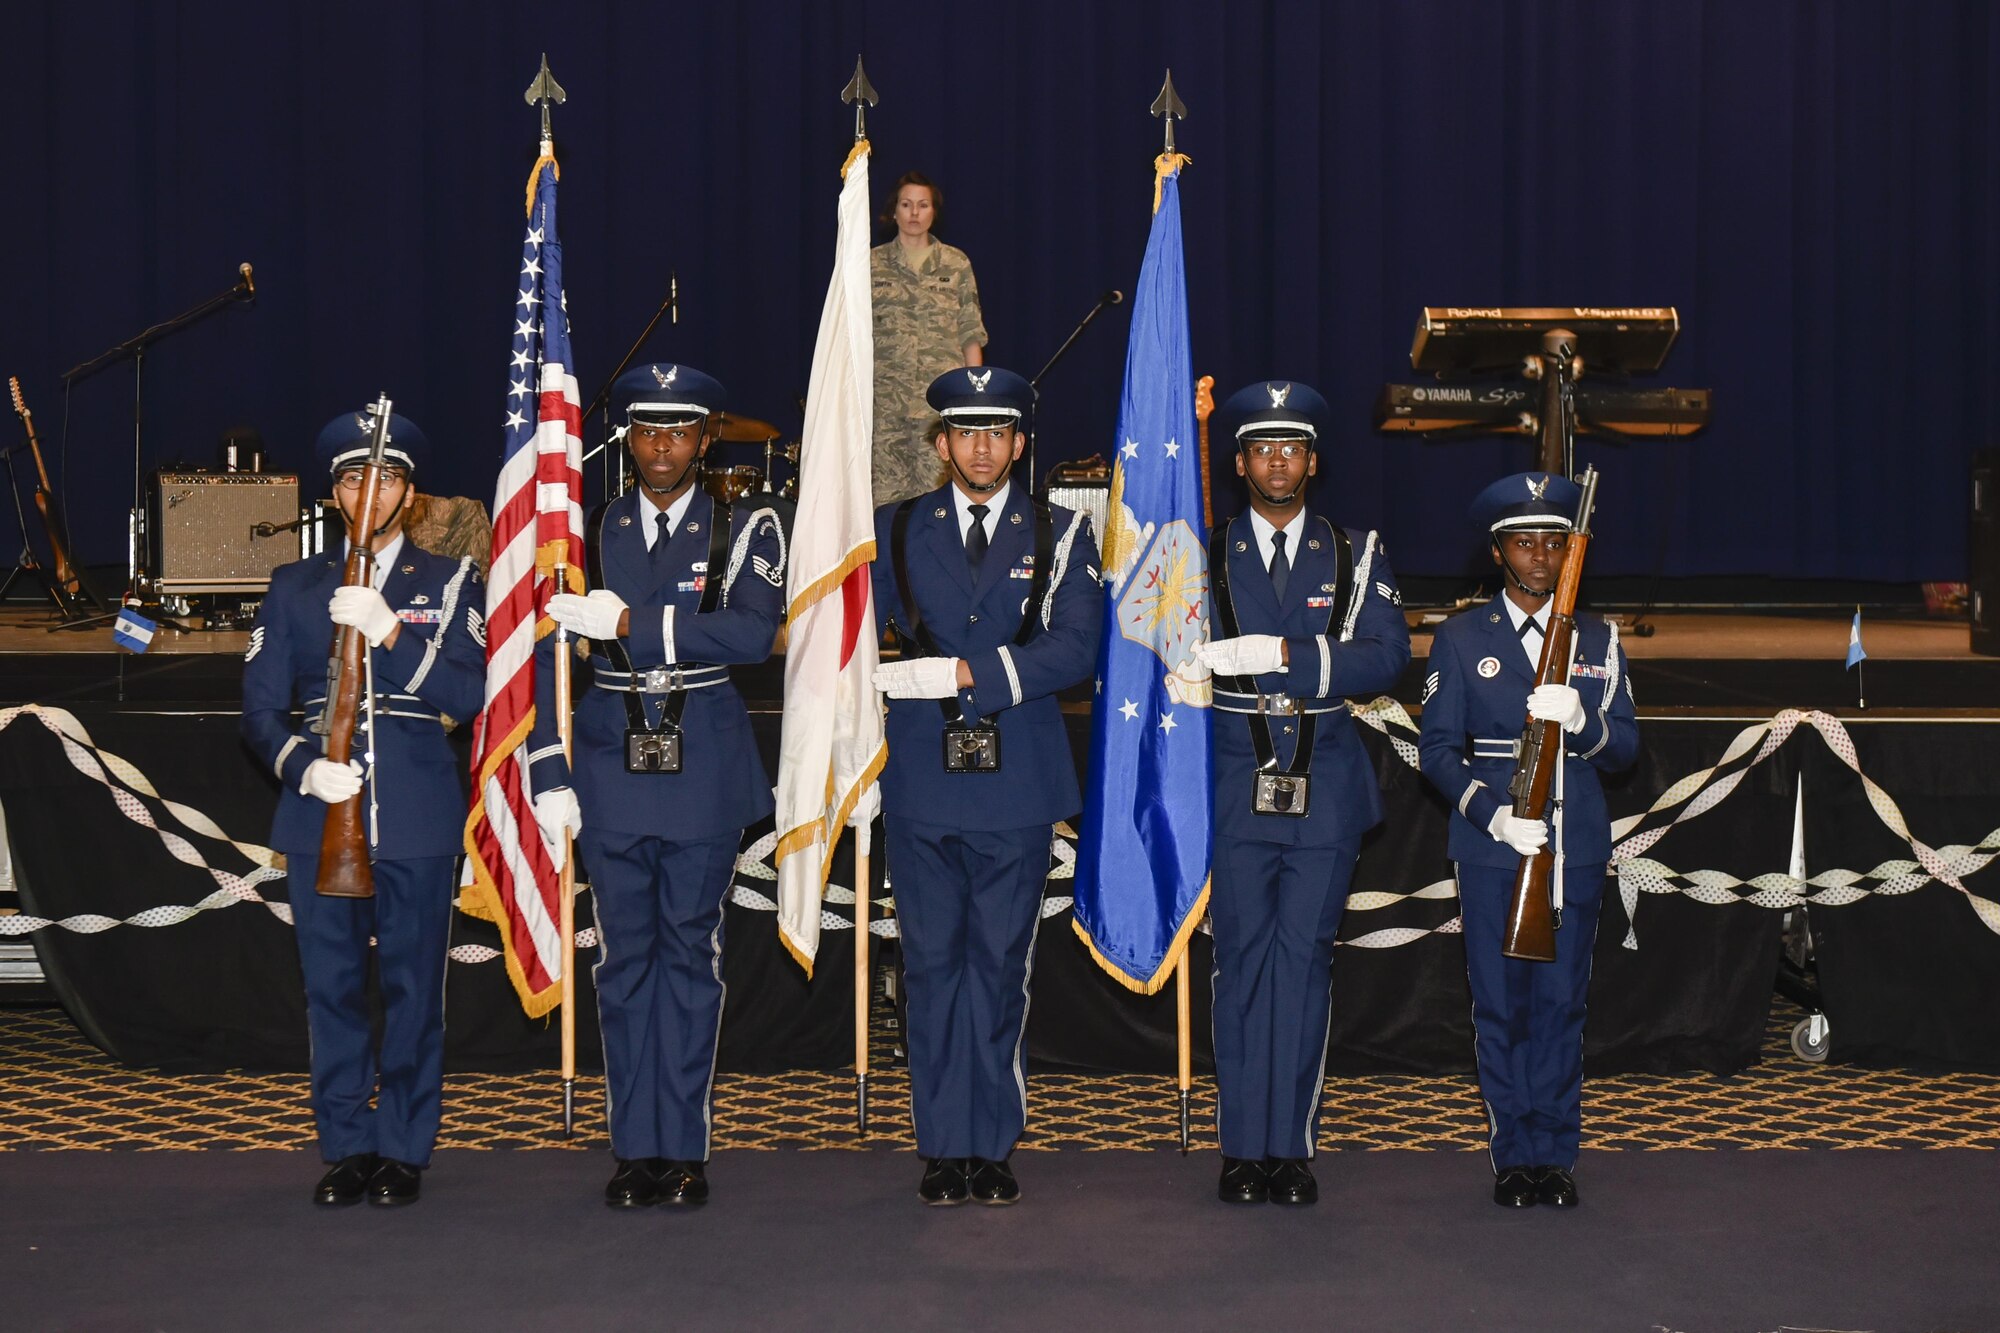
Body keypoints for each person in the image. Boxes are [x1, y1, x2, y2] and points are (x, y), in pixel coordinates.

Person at [530, 363, 785, 1210]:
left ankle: (684, 1147)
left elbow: (751, 634)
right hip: (610, 762)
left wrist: (632, 623)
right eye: (647, 430)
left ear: (704, 439)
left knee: (690, 956)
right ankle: (634, 1146)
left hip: (702, 762)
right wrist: (548, 760)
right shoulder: (584, 528)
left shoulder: (746, 524)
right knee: (623, 960)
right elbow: (544, 652)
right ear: (628, 439)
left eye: (679, 430)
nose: (662, 446)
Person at [240, 406, 485, 1207]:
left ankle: (404, 1147)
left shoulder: (450, 580)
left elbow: (468, 692)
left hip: (414, 814)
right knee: (333, 989)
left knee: (414, 993)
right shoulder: (294, 585)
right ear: (334, 493)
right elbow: (259, 712)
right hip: (322, 817)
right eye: (352, 478)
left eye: (385, 478)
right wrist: (304, 768)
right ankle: (346, 1143)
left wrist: (390, 633)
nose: (368, 493)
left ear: (410, 494)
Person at [870, 365, 1100, 1206]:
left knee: (1000, 965)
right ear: (942, 444)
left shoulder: (1062, 531)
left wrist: (971, 673)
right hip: (922, 776)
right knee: (931, 965)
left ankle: (992, 1141)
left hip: (1017, 781)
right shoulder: (895, 526)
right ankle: (943, 1144)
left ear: (1019, 443)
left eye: (996, 433)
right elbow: (846, 635)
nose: (980, 447)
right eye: (966, 432)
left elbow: (1077, 646)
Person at [1190, 381, 1412, 1207]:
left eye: (1292, 448)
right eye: (1262, 448)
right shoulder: (1203, 552)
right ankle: (1242, 1146)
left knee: (1305, 964)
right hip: (1231, 781)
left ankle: (1291, 1146)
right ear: (1240, 462)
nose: (1278, 461)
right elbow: (1158, 644)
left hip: (1324, 788)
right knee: (1241, 962)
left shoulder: (1354, 550)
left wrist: (1290, 655)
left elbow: (1388, 653)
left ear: (1313, 462)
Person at [1416, 471, 1638, 1209]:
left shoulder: (1599, 639)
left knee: (1561, 1004)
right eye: (1523, 542)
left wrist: (1583, 721)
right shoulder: (1460, 637)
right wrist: (1491, 814)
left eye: (1553, 541)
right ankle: (1514, 1152)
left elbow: (1625, 749)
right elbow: (1436, 750)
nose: (1540, 555)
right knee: (1501, 1005)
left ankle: (1556, 1153)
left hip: (1574, 844)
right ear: (1497, 551)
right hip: (1493, 848)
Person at [871, 171, 989, 508]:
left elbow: (970, 333)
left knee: (938, 505)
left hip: (938, 408)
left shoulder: (955, 263)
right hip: (885, 410)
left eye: (923, 205)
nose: (914, 213)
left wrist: (973, 399)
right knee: (885, 507)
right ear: (893, 211)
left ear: (933, 212)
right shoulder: (871, 264)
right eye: (906, 204)